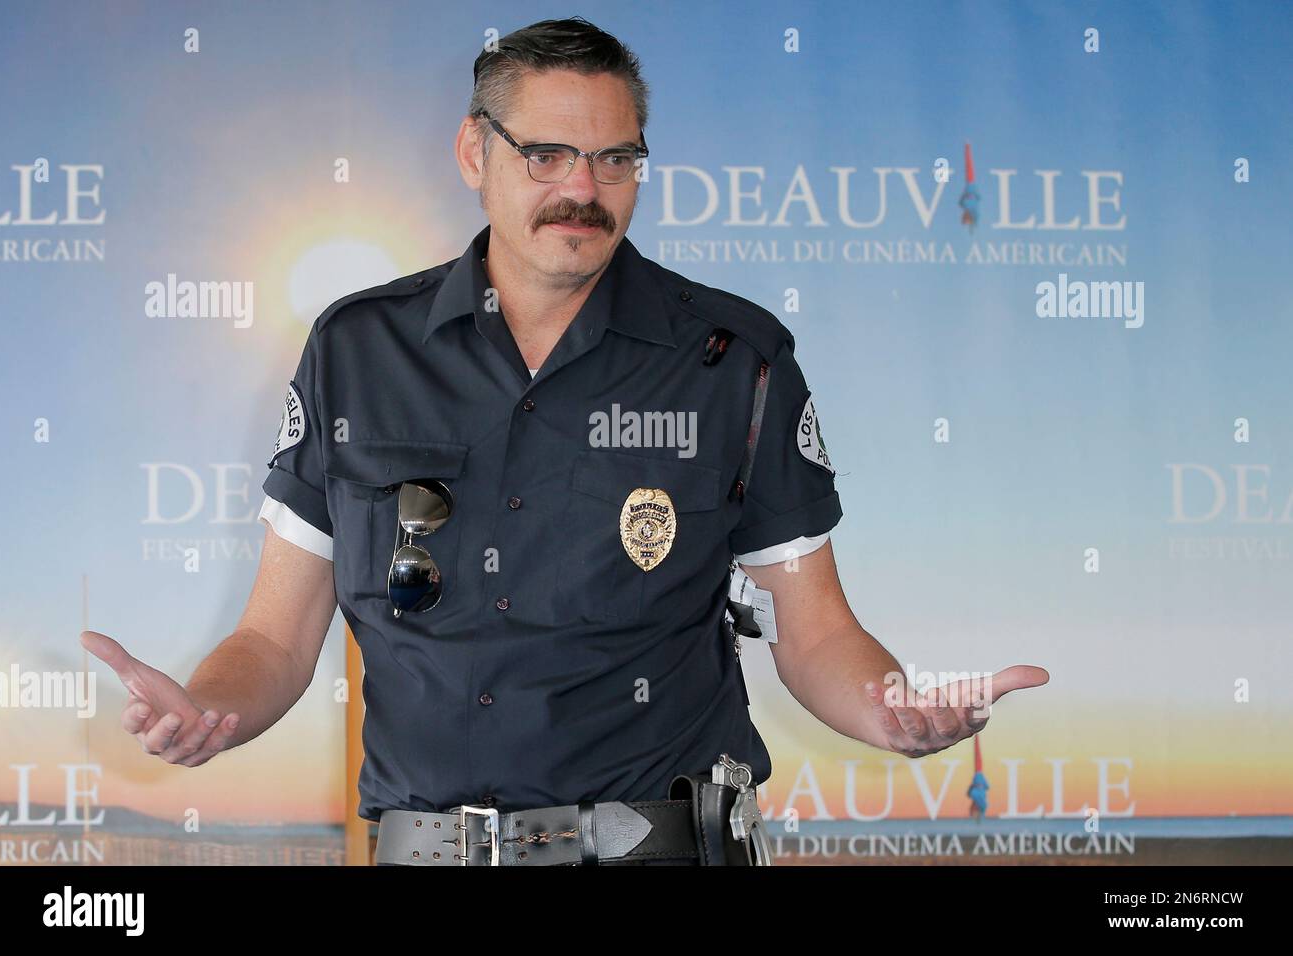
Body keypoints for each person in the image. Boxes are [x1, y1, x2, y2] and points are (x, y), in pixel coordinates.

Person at [81, 16, 1048, 866]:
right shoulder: (357, 349)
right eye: (547, 154)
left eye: (617, 159)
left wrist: (892, 712)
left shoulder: (731, 358)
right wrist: (211, 711)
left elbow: (819, 630)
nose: (584, 191)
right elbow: (275, 635)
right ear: (475, 152)